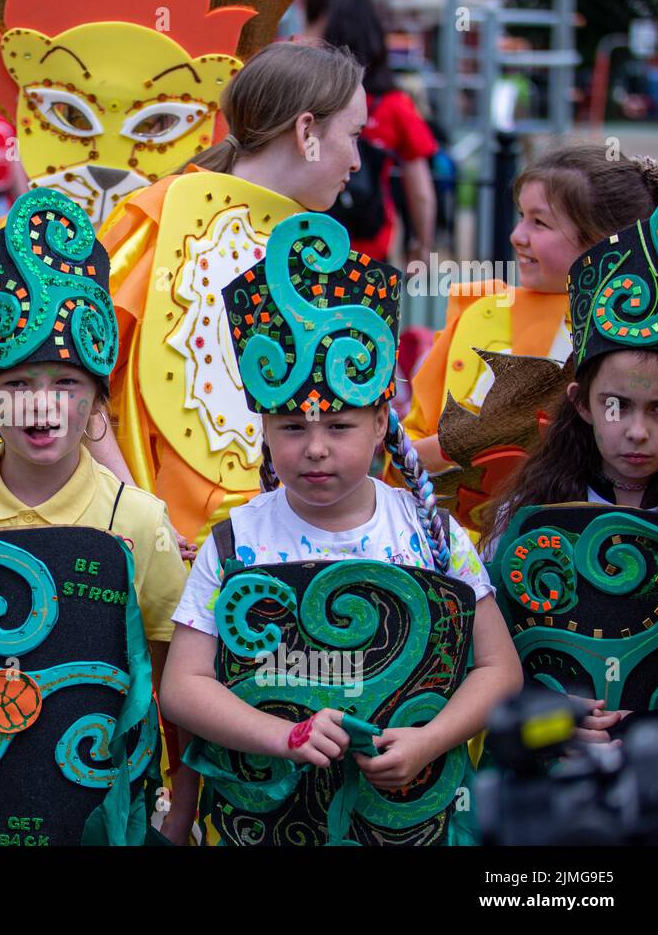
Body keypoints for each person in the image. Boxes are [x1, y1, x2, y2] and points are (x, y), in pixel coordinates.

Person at [159, 210, 522, 845]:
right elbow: (184, 688)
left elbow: (499, 668)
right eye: (292, 428)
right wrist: (283, 735)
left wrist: (429, 739)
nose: (315, 449)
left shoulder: (429, 532)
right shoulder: (235, 541)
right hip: (266, 824)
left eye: (340, 426)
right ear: (264, 432)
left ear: (382, 423)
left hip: (409, 820)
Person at [0, 186, 193, 842]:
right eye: (18, 385)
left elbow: (173, 685)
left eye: (65, 384)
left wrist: (182, 808)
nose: (42, 407)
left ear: (96, 403)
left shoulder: (139, 524)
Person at [99, 41, 368, 546]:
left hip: (280, 552)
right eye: (353, 136)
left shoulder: (320, 257)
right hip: (152, 556)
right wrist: (131, 509)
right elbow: (75, 379)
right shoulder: (160, 217)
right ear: (307, 131)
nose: (356, 161)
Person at [482, 197, 658, 743]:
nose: (636, 431)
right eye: (617, 406)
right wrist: (551, 729)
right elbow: (492, 674)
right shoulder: (525, 518)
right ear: (581, 405)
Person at [405, 148, 658, 474]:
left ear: (603, 241)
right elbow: (417, 427)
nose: (517, 236)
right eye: (521, 216)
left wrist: (440, 450)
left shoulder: (643, 331)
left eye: (539, 222)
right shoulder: (480, 311)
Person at [307, 0, 437, 266]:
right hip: (370, 250)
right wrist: (422, 245)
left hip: (312, 242)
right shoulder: (395, 104)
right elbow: (421, 191)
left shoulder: (312, 95)